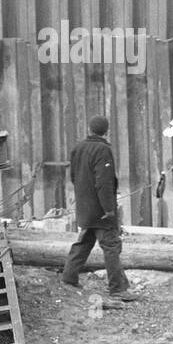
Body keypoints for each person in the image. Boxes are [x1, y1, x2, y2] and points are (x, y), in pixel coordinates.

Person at [61, 115, 134, 301]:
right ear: (107, 131)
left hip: (85, 207)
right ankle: (117, 289)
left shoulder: (78, 148)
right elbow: (104, 183)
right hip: (101, 210)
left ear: (89, 129)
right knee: (111, 245)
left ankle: (69, 277)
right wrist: (109, 209)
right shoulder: (103, 150)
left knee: (84, 242)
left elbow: (73, 177)